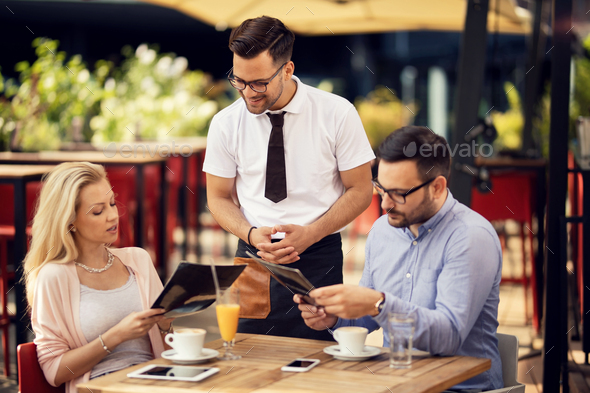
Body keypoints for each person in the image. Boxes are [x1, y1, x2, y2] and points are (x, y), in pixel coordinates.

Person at [203, 15, 375, 340]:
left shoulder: (337, 113)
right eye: (238, 81)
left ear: (287, 70)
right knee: (249, 361)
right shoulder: (225, 123)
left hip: (318, 254)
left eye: (259, 83)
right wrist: (251, 234)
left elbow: (360, 190)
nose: (247, 93)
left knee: (320, 364)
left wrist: (311, 233)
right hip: (254, 255)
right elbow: (218, 197)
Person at [295, 126, 503, 391]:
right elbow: (369, 316)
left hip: (459, 388)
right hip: (396, 383)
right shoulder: (383, 231)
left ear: (437, 188)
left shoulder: (470, 237)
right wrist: (334, 319)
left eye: (399, 193)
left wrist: (379, 303)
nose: (384, 204)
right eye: (381, 189)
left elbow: (448, 336)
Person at [24, 162, 173, 393]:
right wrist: (115, 336)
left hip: (156, 383)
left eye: (112, 203)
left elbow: (168, 356)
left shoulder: (138, 261)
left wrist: (165, 328)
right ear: (69, 220)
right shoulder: (54, 276)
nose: (113, 215)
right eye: (98, 211)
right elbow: (54, 372)